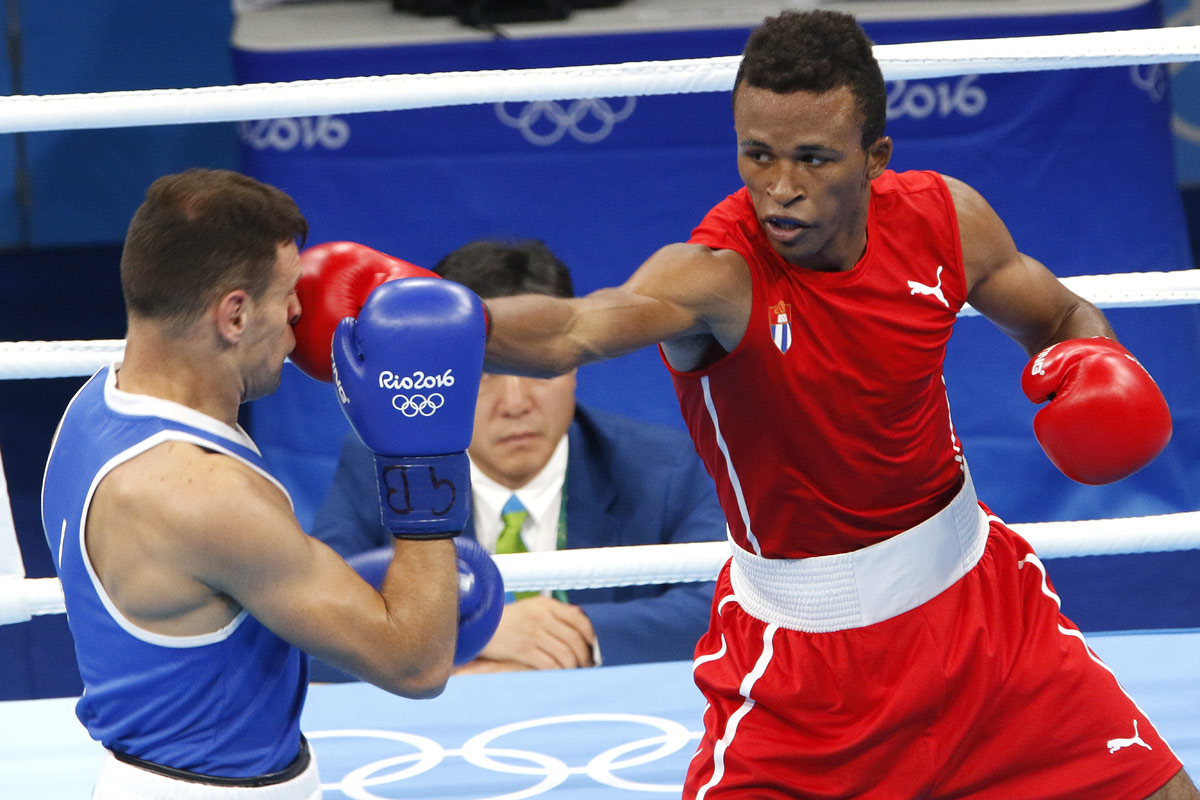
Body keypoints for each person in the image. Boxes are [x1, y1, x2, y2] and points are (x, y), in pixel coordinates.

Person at [471, 11, 1196, 800]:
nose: (780, 189)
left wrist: (1092, 361)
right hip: (807, 675)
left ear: (875, 157)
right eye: (758, 155)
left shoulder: (944, 219)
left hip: (986, 625)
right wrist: (424, 327)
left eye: (814, 159)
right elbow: (576, 328)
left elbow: (1058, 314)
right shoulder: (719, 274)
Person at [40, 168, 500, 798]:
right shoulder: (200, 494)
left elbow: (217, 595)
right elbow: (415, 662)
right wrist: (418, 456)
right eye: (288, 302)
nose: (299, 323)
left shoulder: (97, 405)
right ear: (233, 314)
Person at [306, 239, 727, 672]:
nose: (515, 403)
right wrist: (480, 632)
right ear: (441, 378)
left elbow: (725, 602)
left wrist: (569, 638)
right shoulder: (383, 463)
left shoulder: (663, 465)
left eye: (537, 372)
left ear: (574, 366)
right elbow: (310, 620)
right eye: (485, 374)